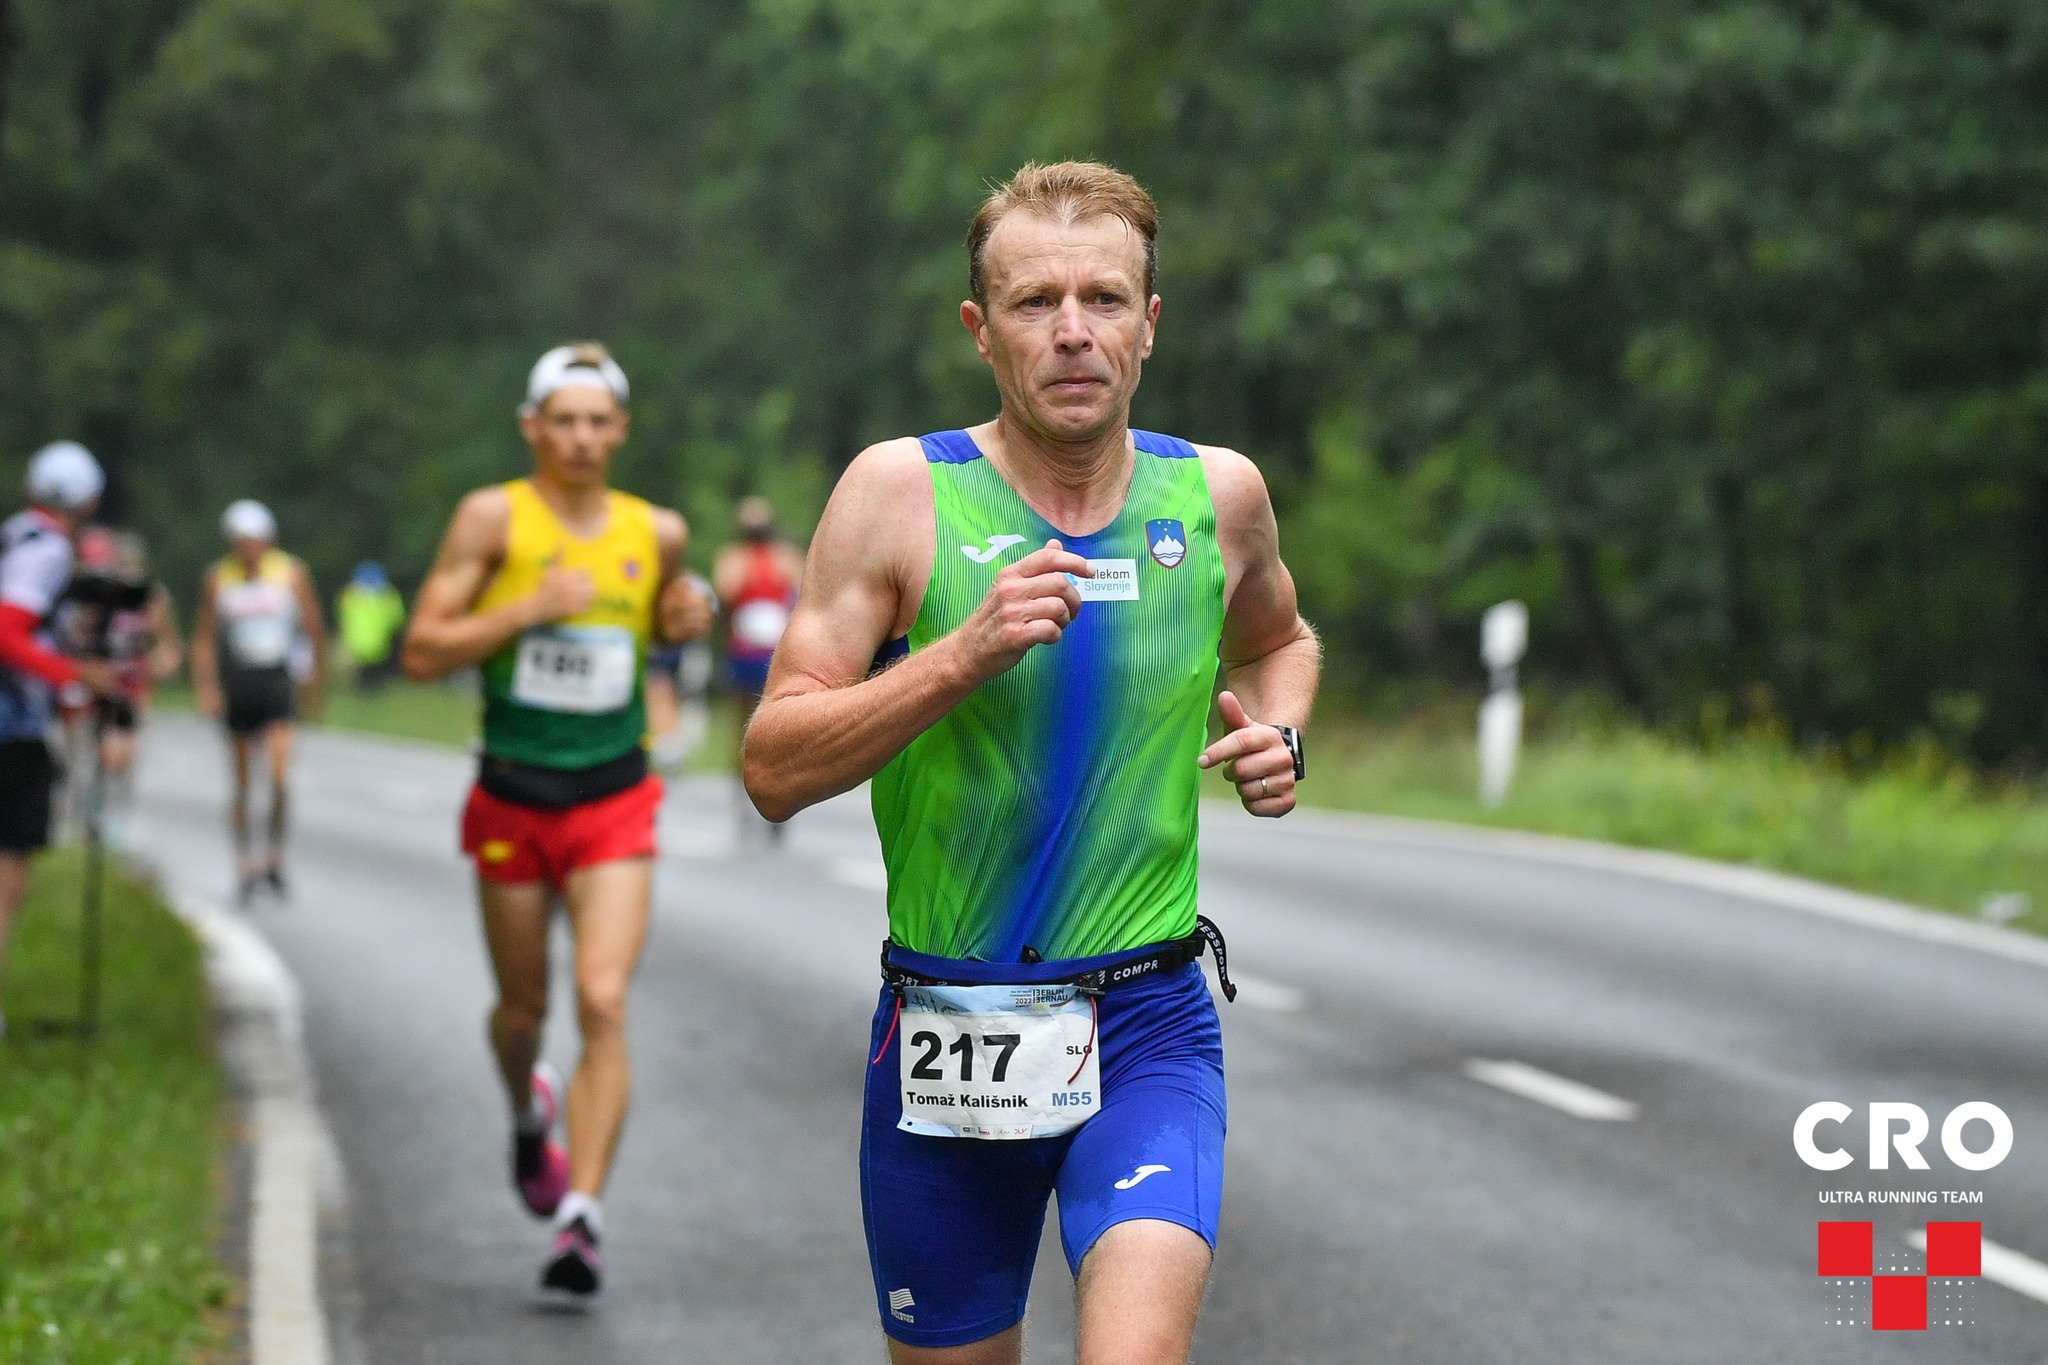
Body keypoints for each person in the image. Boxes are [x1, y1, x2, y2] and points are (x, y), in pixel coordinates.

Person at [743, 162, 1320, 1365]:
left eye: (1102, 299)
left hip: (1148, 1021)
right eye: (1032, 302)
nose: (1071, 331)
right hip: (948, 1028)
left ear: (1147, 325)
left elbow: (1282, 639)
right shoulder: (899, 495)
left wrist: (1280, 735)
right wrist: (959, 655)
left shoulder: (1216, 495)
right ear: (979, 328)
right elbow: (774, 767)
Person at [400, 342, 713, 1298]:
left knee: (603, 998)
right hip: (514, 795)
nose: (580, 438)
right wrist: (524, 608)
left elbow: (652, 628)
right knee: (522, 1011)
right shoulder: (493, 517)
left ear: (621, 431)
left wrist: (681, 621)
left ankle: (582, 1212)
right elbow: (421, 648)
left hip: (614, 793)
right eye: (563, 421)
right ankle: (526, 1113)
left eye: (597, 422)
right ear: (532, 426)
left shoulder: (656, 529)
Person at [0, 442, 125, 1039]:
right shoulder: (48, 549)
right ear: (88, 502)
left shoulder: (11, 535)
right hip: (11, 731)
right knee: (8, 867)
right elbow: (8, 631)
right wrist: (74, 675)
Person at [189, 499, 328, 904]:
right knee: (242, 781)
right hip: (239, 682)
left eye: (254, 540)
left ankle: (274, 856)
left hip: (277, 680)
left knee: (280, 777)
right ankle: (244, 861)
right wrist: (208, 688)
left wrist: (314, 686)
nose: (248, 548)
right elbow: (204, 637)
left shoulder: (290, 573)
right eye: (241, 541)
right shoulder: (219, 578)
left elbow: (313, 629)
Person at [63, 528, 181, 849]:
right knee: (91, 750)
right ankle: (85, 815)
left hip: (133, 683)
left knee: (122, 757)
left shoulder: (150, 597)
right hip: (95, 678)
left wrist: (158, 664)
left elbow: (169, 645)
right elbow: (72, 635)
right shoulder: (98, 595)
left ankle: (114, 817)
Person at [712, 497, 802, 834]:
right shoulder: (735, 558)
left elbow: (804, 595)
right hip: (745, 653)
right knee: (743, 729)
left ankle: (782, 794)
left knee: (781, 724)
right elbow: (726, 593)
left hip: (775, 654)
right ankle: (744, 795)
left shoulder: (784, 557)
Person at [336, 561, 407, 691]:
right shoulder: (388, 594)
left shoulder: (348, 595)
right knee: (378, 681)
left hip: (356, 645)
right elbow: (397, 620)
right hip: (381, 644)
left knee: (362, 681)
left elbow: (342, 617)